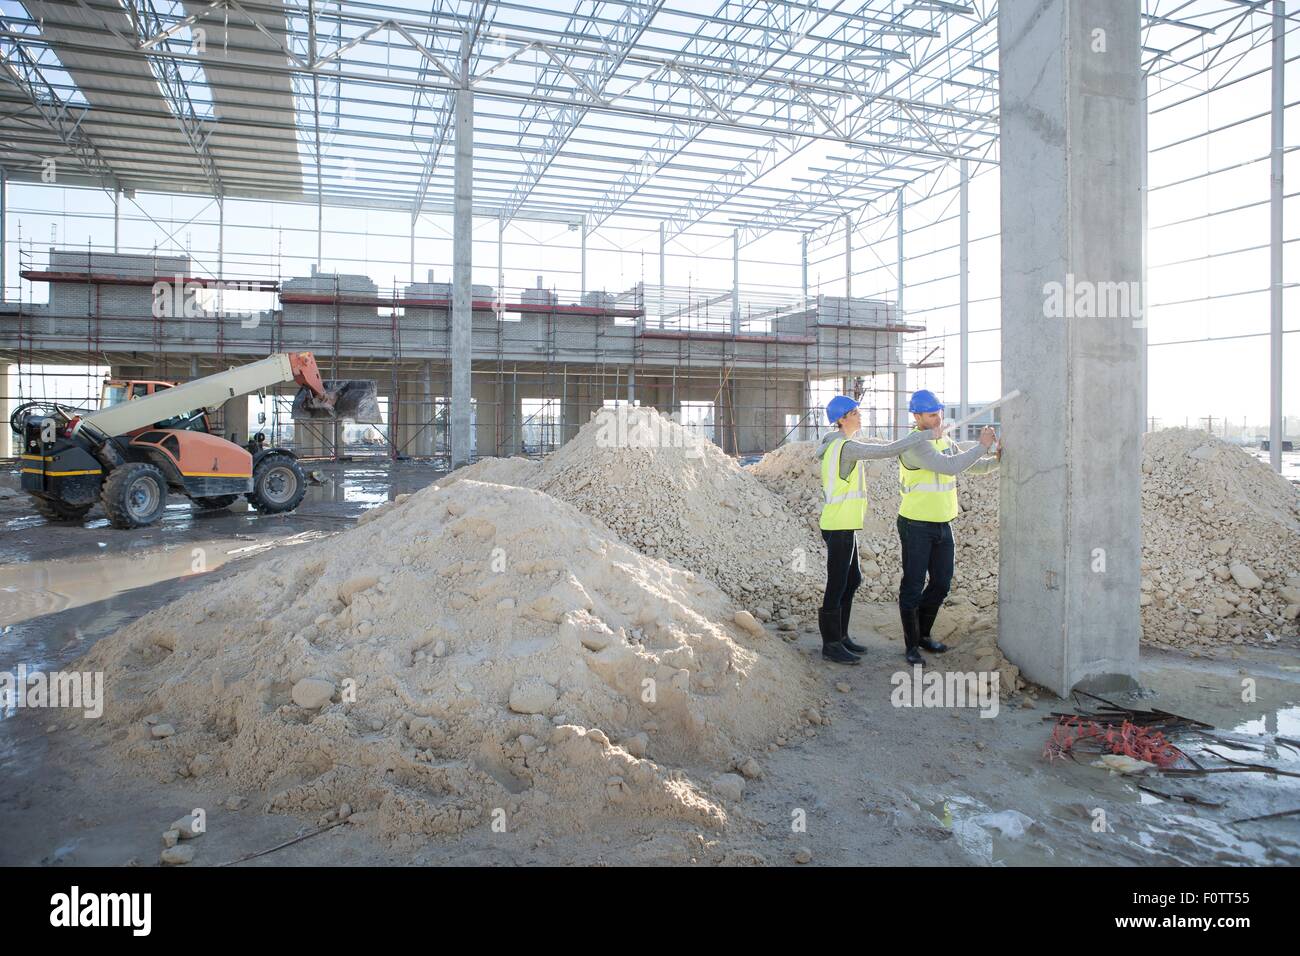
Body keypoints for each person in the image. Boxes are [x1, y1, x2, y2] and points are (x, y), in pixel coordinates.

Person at [815, 395, 941, 664]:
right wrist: (923, 435)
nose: (860, 416)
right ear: (841, 419)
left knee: (852, 580)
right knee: (837, 584)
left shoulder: (839, 445)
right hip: (838, 526)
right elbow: (886, 450)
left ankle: (842, 636)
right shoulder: (845, 447)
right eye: (854, 413)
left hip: (845, 524)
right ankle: (831, 644)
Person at [896, 389, 1000, 665]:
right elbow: (950, 466)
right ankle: (911, 646)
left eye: (939, 412)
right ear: (917, 417)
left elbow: (967, 466)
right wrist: (981, 446)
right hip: (916, 524)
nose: (938, 418)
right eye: (932, 414)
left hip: (943, 524)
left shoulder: (942, 439)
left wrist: (995, 460)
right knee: (913, 585)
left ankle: (923, 635)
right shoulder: (914, 444)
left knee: (941, 583)